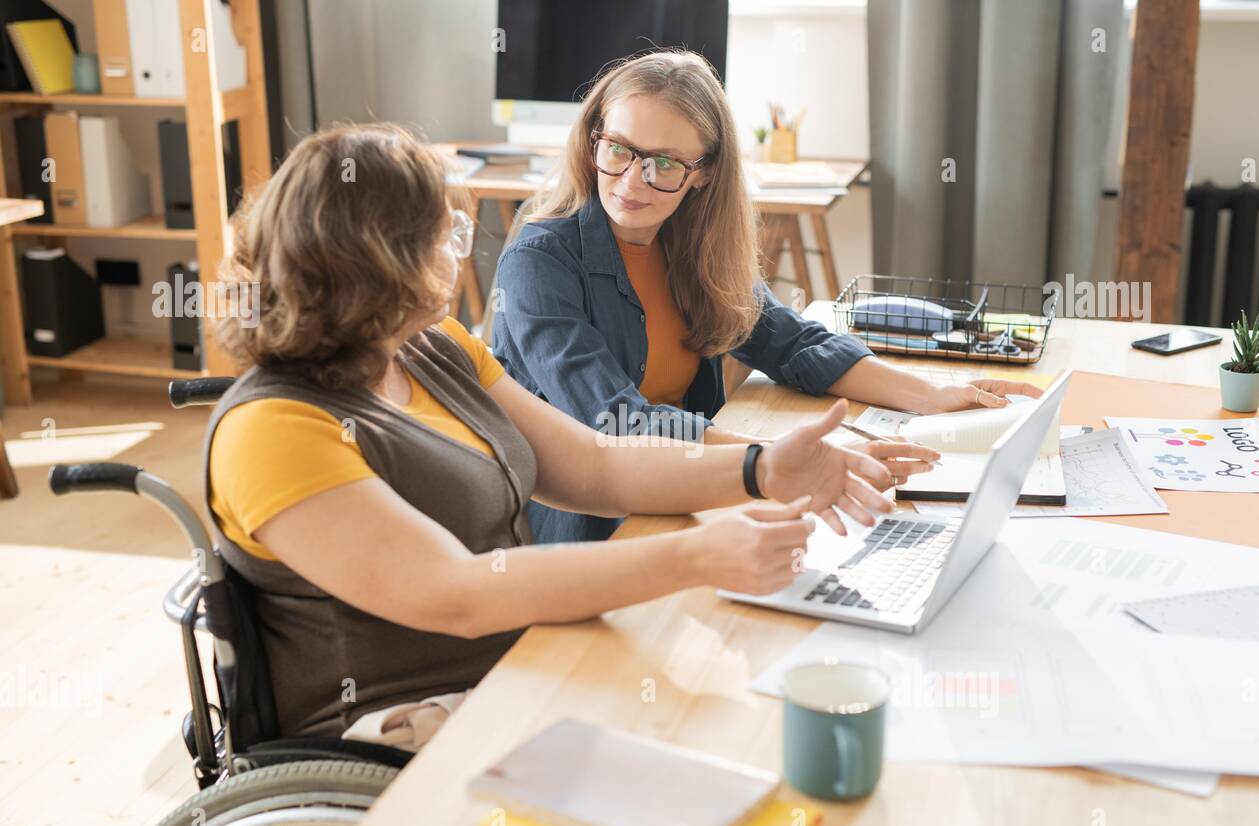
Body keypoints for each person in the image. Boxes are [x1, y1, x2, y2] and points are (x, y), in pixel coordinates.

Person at [206, 123, 926, 744]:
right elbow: (459, 593)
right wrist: (698, 555)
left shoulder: (433, 348)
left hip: (524, 661)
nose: (459, 253)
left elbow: (593, 464)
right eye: (445, 234)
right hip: (410, 729)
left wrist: (761, 470)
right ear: (377, 261)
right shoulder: (272, 430)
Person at [493, 50, 1041, 544]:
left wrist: (930, 395)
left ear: (703, 173)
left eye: (664, 164)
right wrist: (774, 462)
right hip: (588, 530)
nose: (634, 180)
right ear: (594, 138)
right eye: (618, 149)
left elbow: (792, 343)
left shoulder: (693, 243)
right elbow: (615, 419)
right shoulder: (540, 261)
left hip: (690, 494)